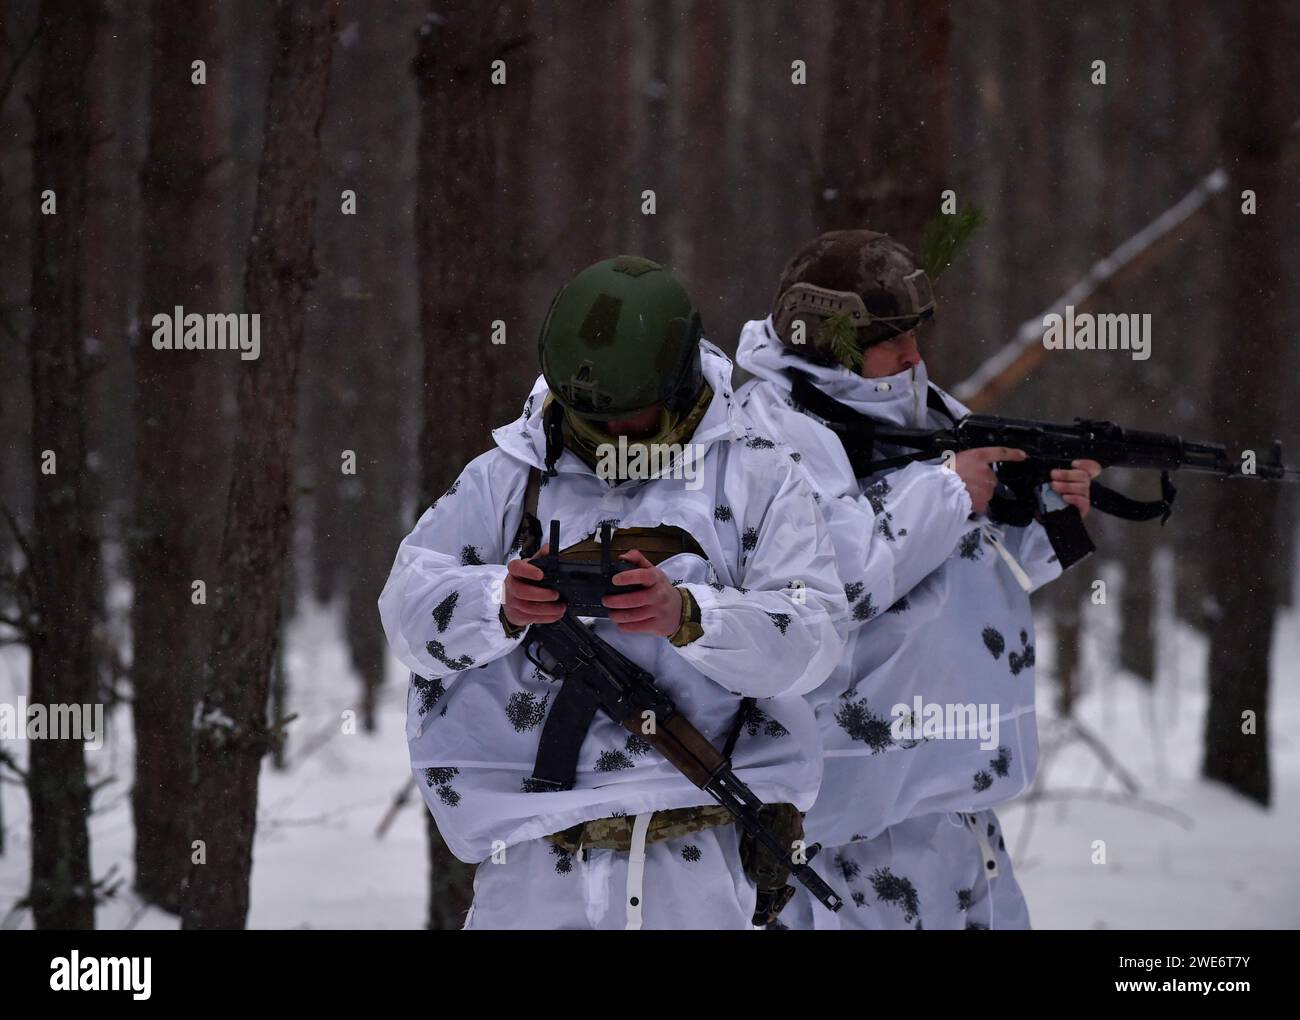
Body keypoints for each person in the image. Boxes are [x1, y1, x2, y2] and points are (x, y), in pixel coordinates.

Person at [379, 255, 847, 929]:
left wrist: (689, 615)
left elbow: (814, 635)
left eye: (636, 422)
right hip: (534, 858)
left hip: (696, 849)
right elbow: (406, 613)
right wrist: (498, 604)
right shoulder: (507, 479)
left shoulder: (755, 476)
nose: (615, 444)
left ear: (681, 386)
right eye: (595, 426)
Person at [734, 229, 1100, 929]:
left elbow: (984, 566)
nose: (913, 357)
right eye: (890, 341)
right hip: (842, 824)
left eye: (914, 335)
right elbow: (834, 580)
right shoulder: (769, 431)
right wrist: (949, 492)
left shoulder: (917, 407)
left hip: (952, 802)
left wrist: (1052, 513)